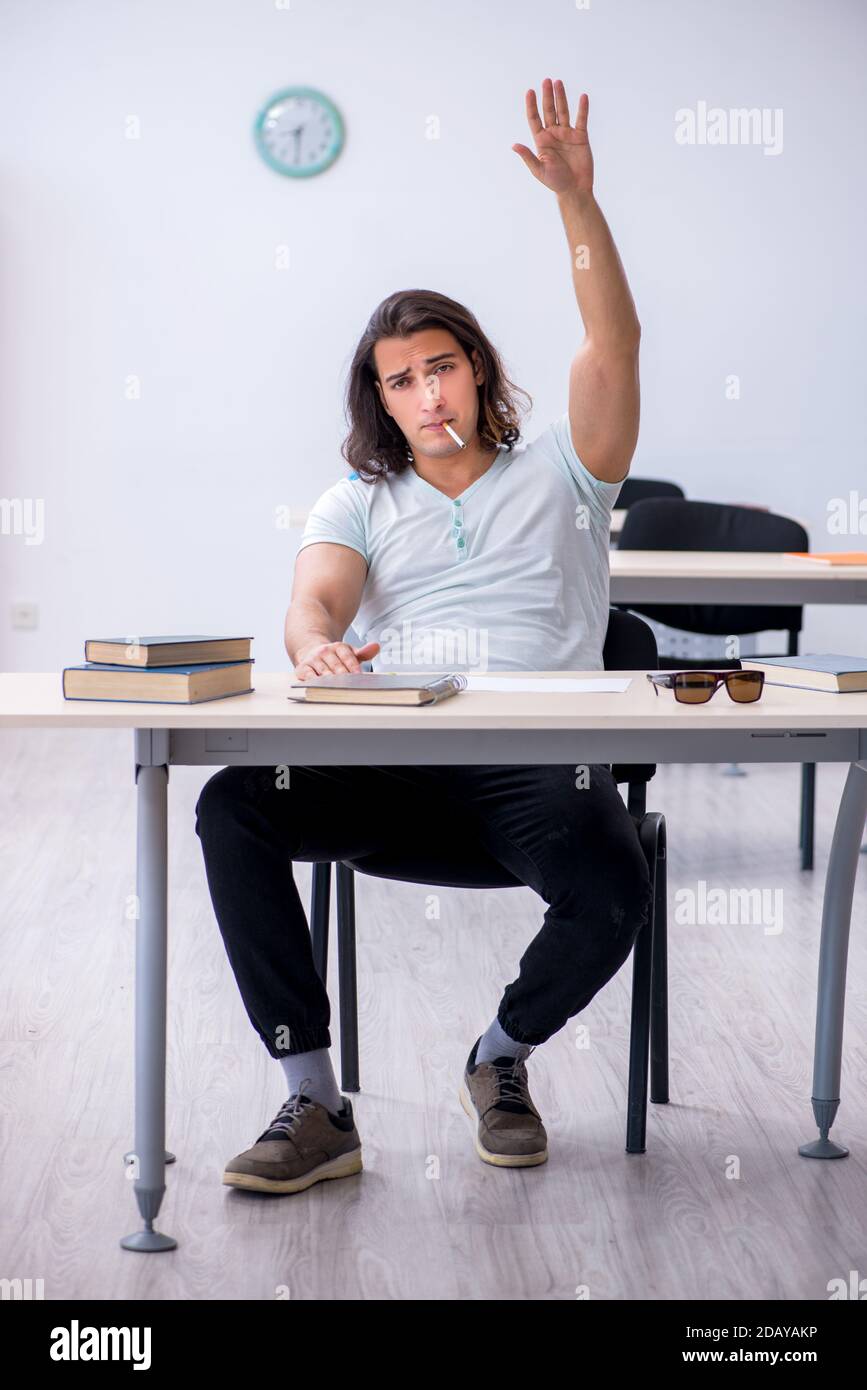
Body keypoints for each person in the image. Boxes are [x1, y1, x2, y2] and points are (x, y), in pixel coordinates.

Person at [195, 79, 652, 1195]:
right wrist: (312, 645)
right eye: (401, 381)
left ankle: (501, 1060)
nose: (425, 391)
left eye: (439, 365)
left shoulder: (567, 469)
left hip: (540, 772)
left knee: (612, 881)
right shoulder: (357, 497)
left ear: (477, 369)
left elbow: (615, 337)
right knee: (230, 804)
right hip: (392, 765)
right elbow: (317, 603)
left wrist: (576, 201)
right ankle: (314, 1096)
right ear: (383, 402)